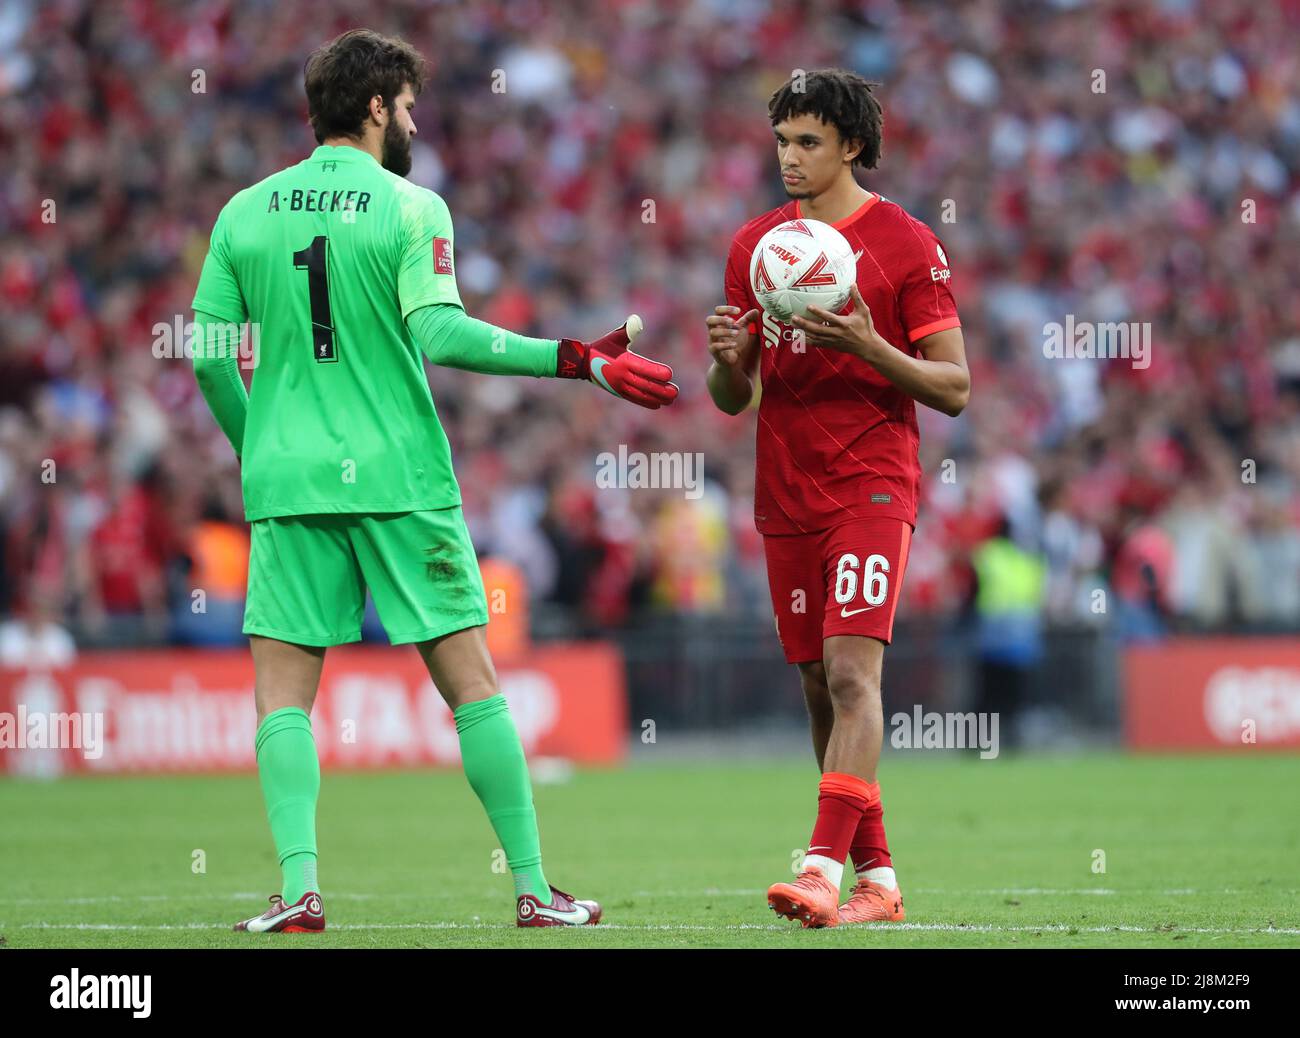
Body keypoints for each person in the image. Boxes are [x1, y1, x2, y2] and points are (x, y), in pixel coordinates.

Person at [190, 28, 677, 933]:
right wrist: (576, 360)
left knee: (283, 697)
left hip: (289, 485)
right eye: (407, 105)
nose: (413, 120)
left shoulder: (242, 214)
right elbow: (444, 335)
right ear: (377, 106)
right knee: (473, 686)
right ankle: (533, 889)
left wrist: (263, 447)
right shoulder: (412, 208)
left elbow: (211, 360)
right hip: (399, 477)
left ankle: (299, 891)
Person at [705, 68, 970, 928]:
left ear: (851, 145)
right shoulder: (755, 247)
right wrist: (724, 359)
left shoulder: (905, 243)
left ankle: (819, 867)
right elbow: (732, 398)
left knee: (856, 675)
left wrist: (869, 346)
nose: (789, 157)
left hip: (871, 484)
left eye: (808, 141)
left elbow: (956, 386)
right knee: (820, 684)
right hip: (785, 491)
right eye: (782, 140)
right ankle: (879, 880)